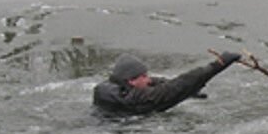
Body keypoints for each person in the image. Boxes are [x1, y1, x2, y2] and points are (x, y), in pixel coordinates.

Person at [93, 51, 241, 116]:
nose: (148, 79)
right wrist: (217, 65)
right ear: (131, 80)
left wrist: (190, 91)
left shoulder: (112, 85)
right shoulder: (132, 99)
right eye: (143, 76)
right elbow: (172, 89)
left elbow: (162, 83)